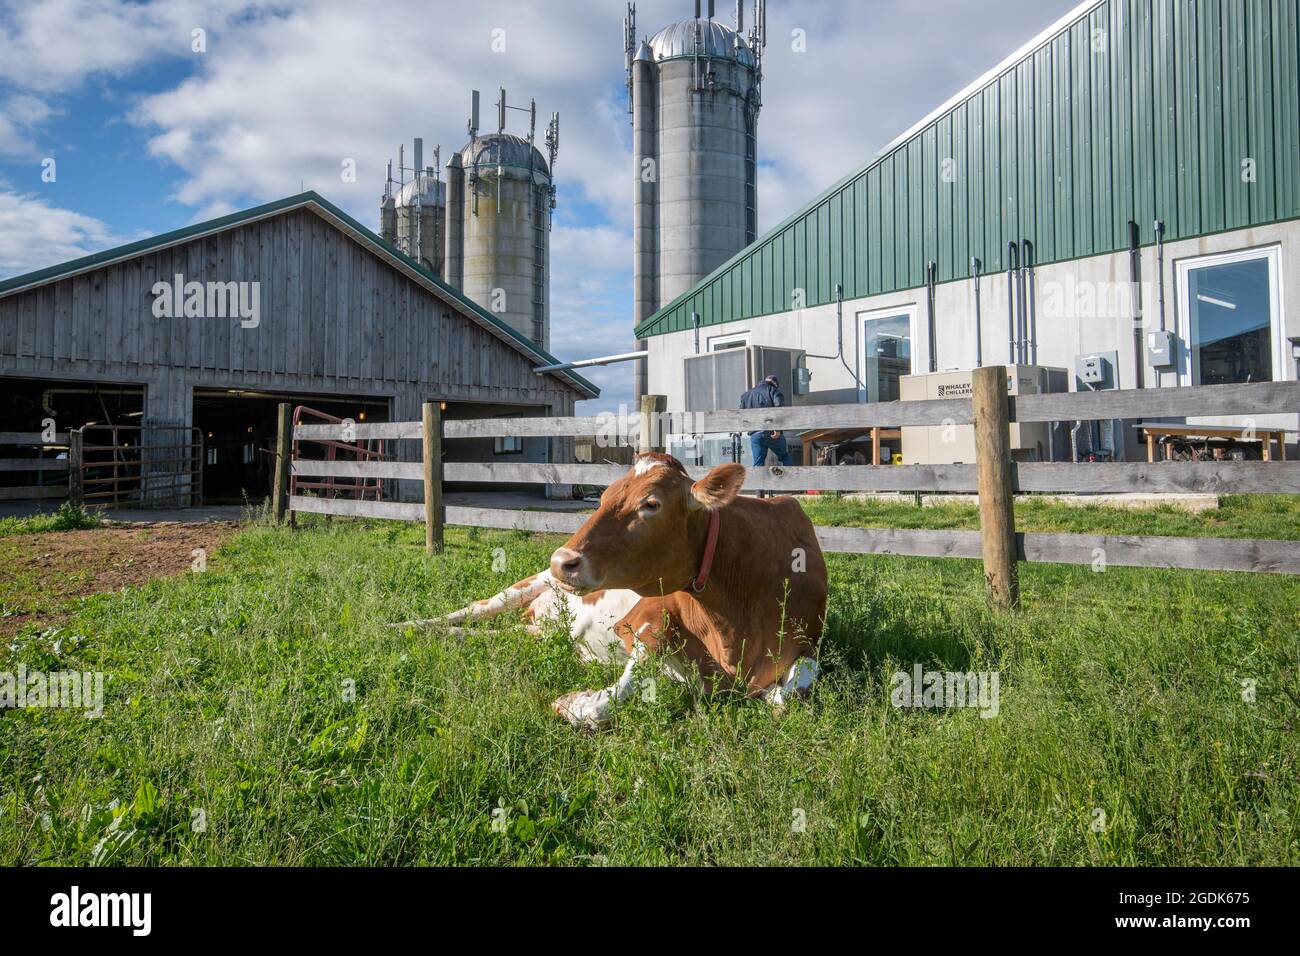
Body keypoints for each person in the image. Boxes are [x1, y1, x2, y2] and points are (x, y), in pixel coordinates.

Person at [740, 373, 793, 468]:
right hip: (772, 432)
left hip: (755, 434)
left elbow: (741, 414)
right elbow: (779, 409)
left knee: (758, 464)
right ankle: (792, 481)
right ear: (775, 383)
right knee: (784, 457)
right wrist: (777, 429)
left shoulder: (746, 395)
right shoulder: (774, 391)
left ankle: (757, 482)